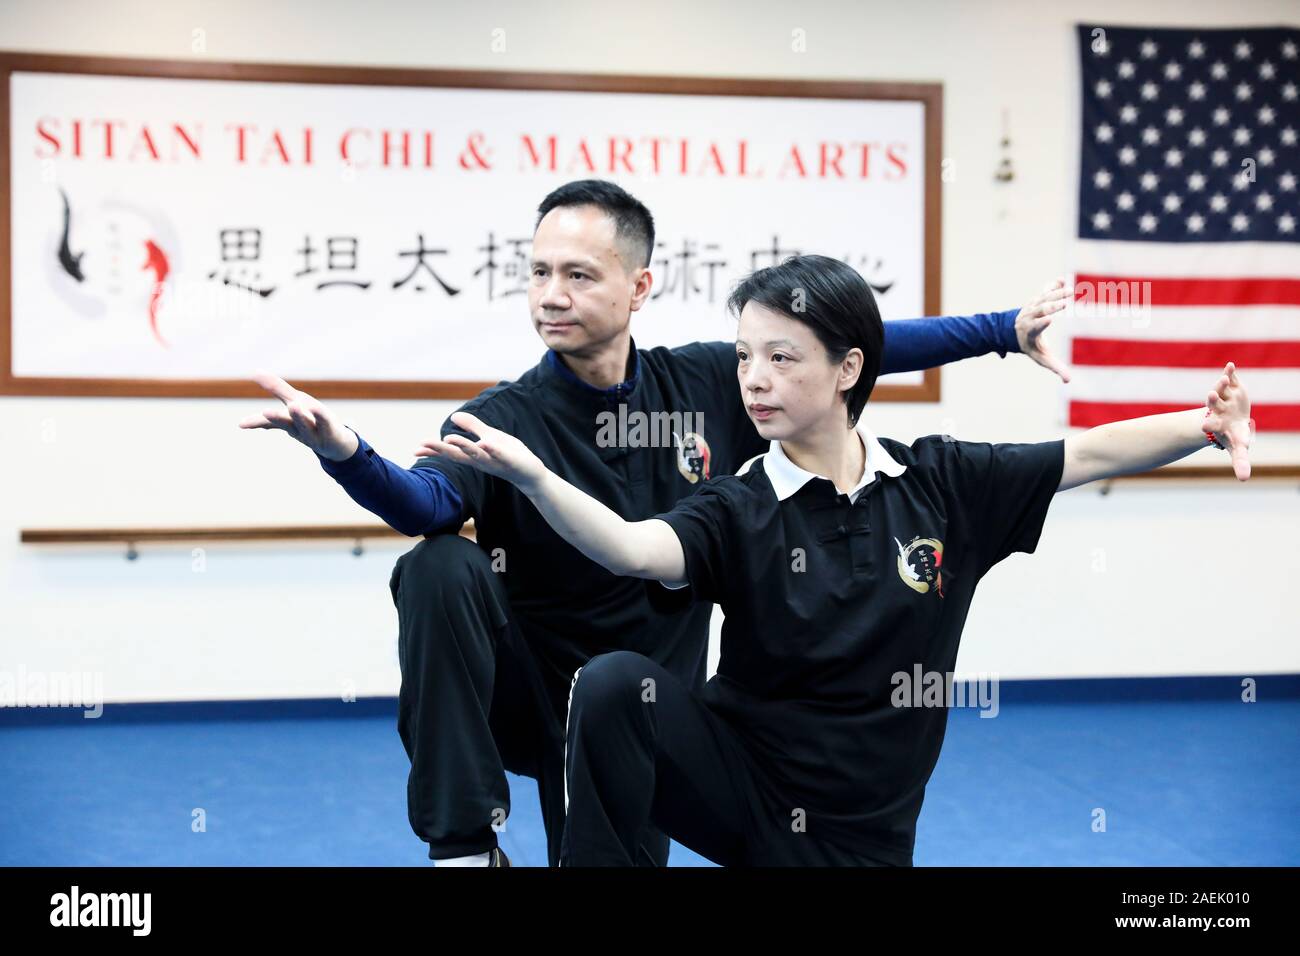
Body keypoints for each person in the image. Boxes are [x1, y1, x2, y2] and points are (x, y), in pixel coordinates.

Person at [239, 179, 1072, 867]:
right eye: (537, 274)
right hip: (526, 697)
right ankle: (463, 847)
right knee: (437, 564)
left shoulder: (713, 384)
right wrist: (346, 452)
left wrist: (1000, 331)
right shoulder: (504, 416)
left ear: (640, 287)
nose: (551, 296)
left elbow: (839, 345)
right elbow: (424, 503)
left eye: (578, 275)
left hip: (633, 701)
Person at [414, 253, 1254, 867]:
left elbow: (1088, 454)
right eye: (744, 357)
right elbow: (633, 549)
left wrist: (1204, 425)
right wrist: (529, 473)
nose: (754, 380)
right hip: (744, 795)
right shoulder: (737, 504)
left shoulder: (942, 481)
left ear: (849, 367)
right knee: (611, 685)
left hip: (868, 834)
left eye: (782, 358)